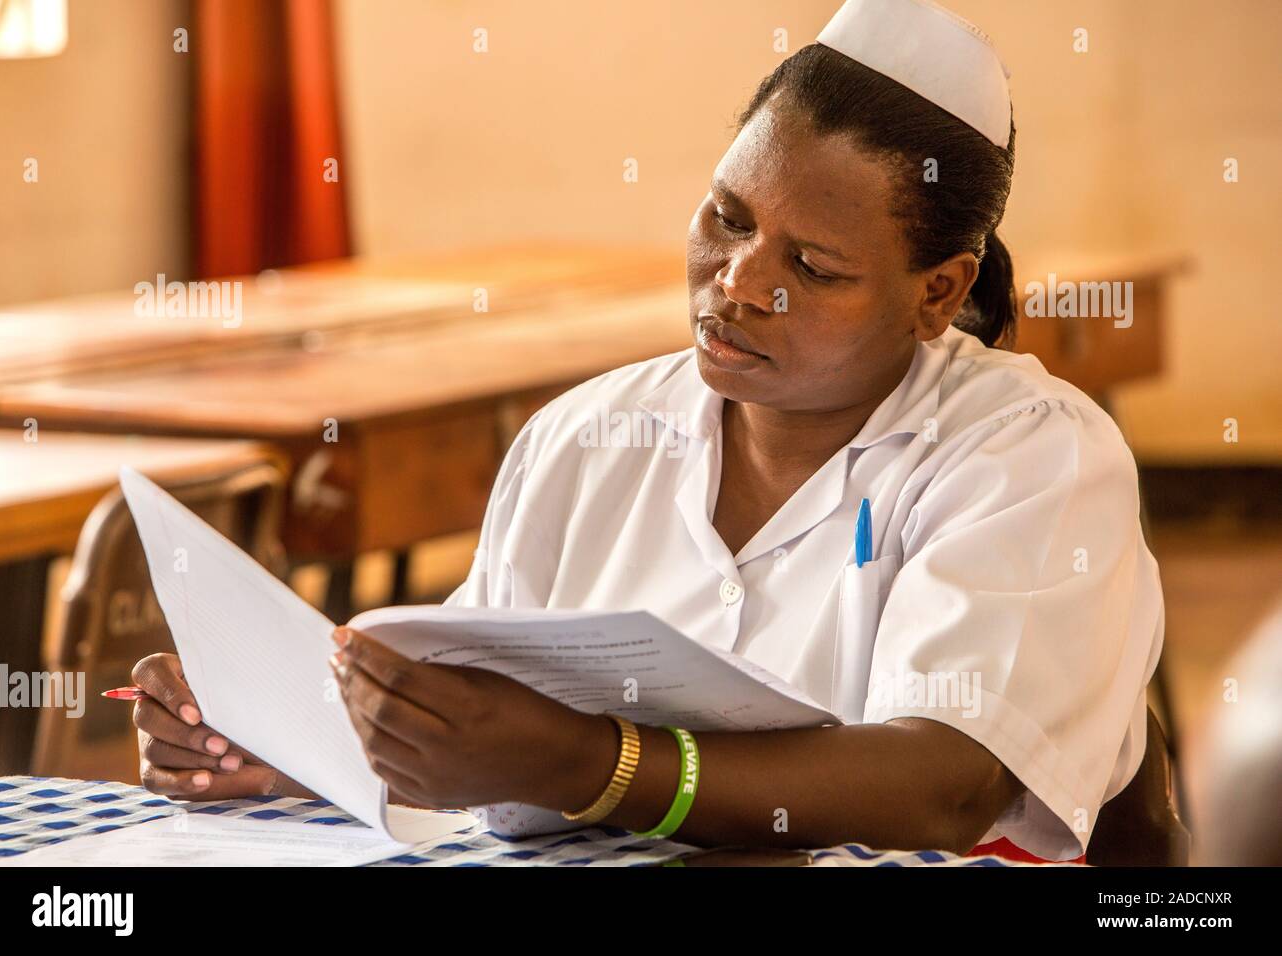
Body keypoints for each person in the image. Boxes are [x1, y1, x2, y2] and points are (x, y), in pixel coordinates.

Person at [130, 0, 1163, 862]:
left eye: (812, 268)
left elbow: (942, 786)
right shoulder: (584, 440)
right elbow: (475, 725)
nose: (739, 281)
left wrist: (584, 763)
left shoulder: (1029, 454)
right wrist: (309, 741)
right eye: (726, 214)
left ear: (937, 292)